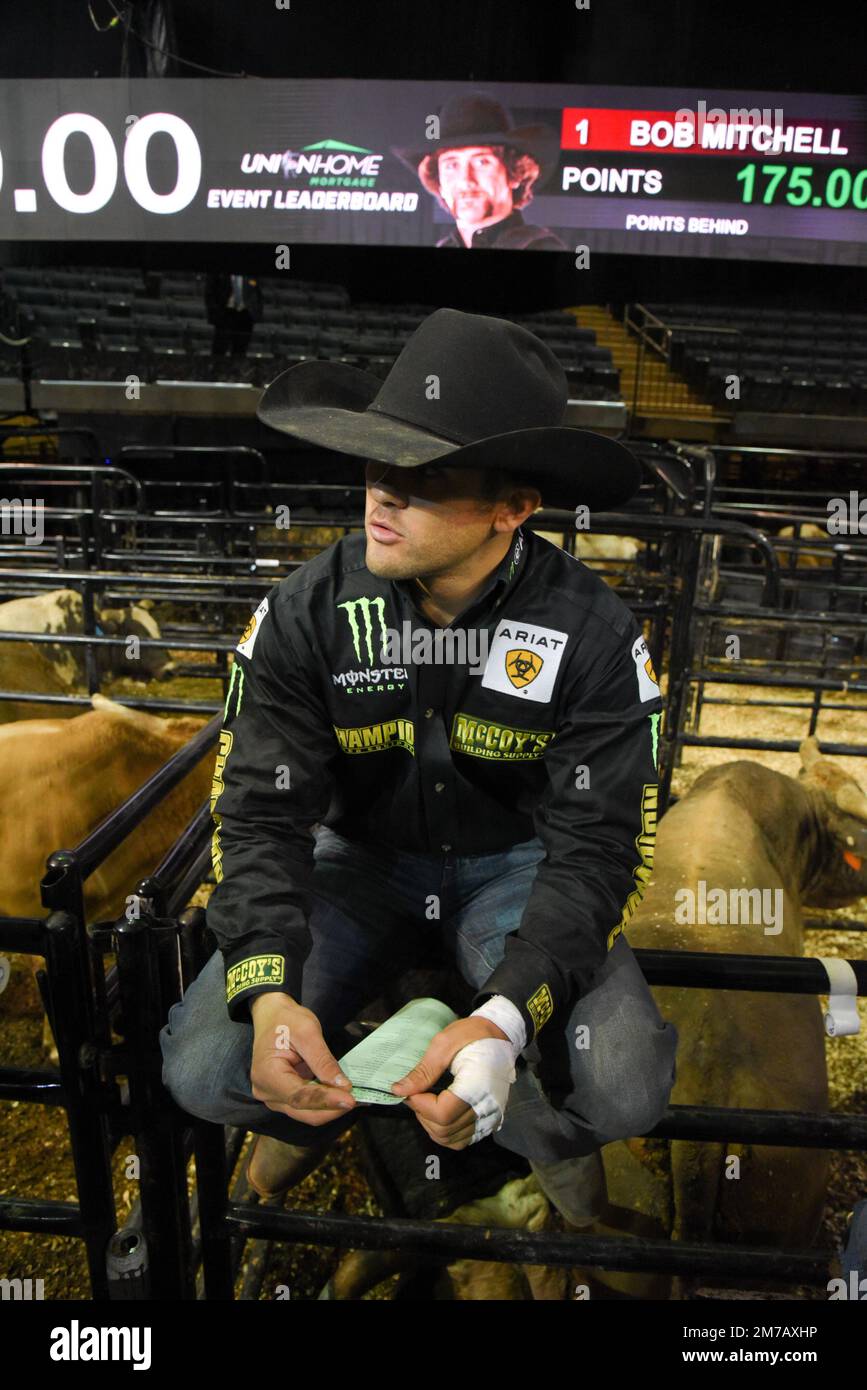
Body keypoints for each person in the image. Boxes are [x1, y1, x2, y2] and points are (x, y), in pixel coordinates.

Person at [160, 307, 676, 1226]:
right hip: (354, 863)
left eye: (424, 477)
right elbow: (259, 812)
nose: (380, 498)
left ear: (513, 508)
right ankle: (420, 1079)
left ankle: (465, 1080)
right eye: (376, 464)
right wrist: (271, 987)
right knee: (204, 1070)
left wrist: (506, 1017)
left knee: (625, 1087)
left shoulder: (592, 633)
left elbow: (599, 847)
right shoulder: (305, 611)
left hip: (519, 868)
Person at [393, 93, 566, 250]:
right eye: (451, 165)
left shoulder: (539, 246)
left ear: (515, 174)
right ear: (439, 185)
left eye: (482, 162)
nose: (466, 180)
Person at [204, 271, 263, 357]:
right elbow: (210, 292)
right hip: (225, 314)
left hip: (245, 316)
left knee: (240, 351)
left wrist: (256, 312)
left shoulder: (251, 275)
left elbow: (257, 293)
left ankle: (236, 369)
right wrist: (216, 313)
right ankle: (217, 369)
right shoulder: (218, 274)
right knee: (219, 350)